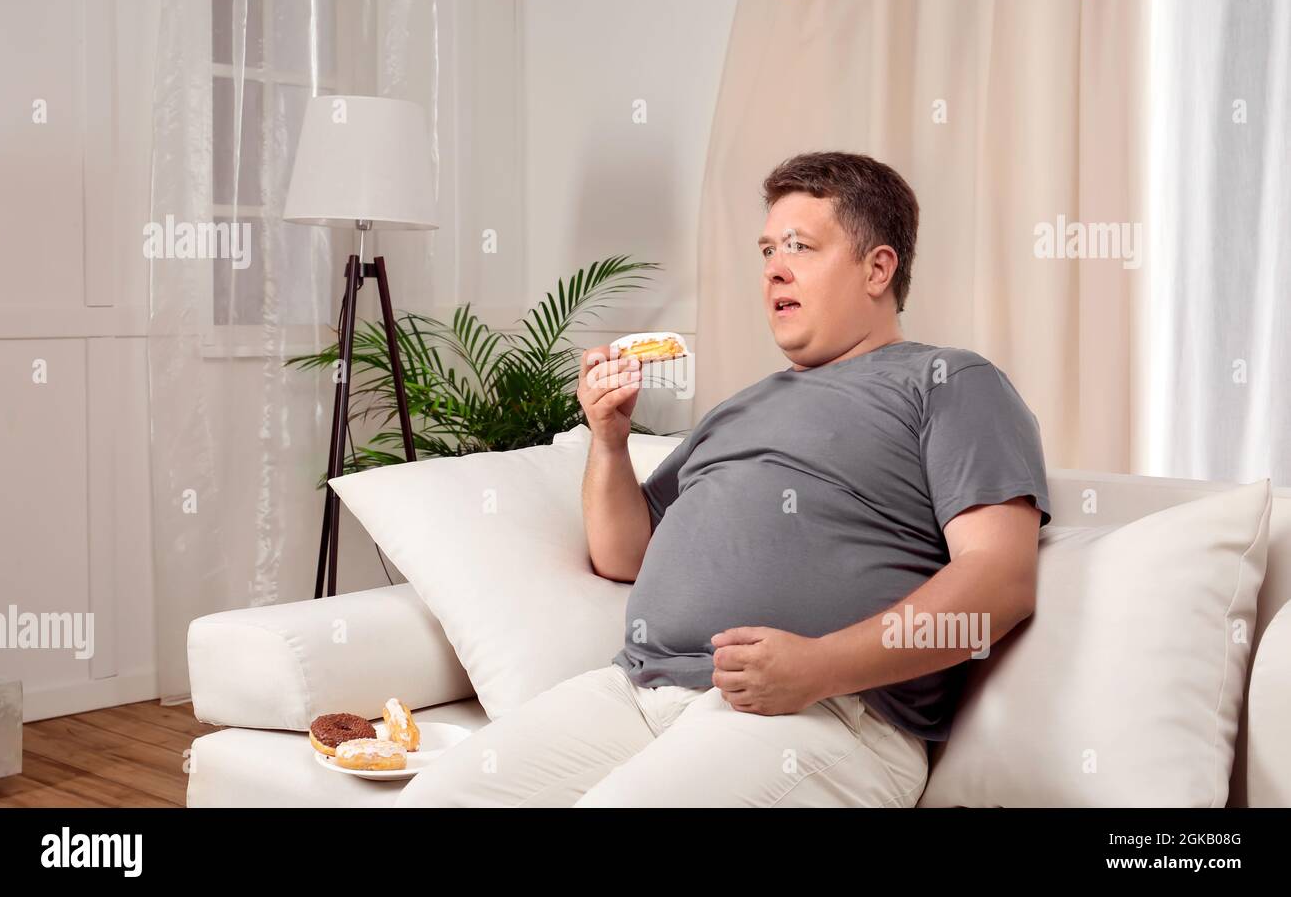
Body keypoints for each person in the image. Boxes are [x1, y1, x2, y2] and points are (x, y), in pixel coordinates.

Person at [395, 151, 1050, 807]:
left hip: (825, 714)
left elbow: (1000, 580)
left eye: (800, 246)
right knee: (432, 800)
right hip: (639, 692)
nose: (773, 269)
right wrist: (610, 439)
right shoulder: (741, 407)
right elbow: (625, 555)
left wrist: (820, 667)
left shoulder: (948, 382)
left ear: (878, 267)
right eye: (767, 250)